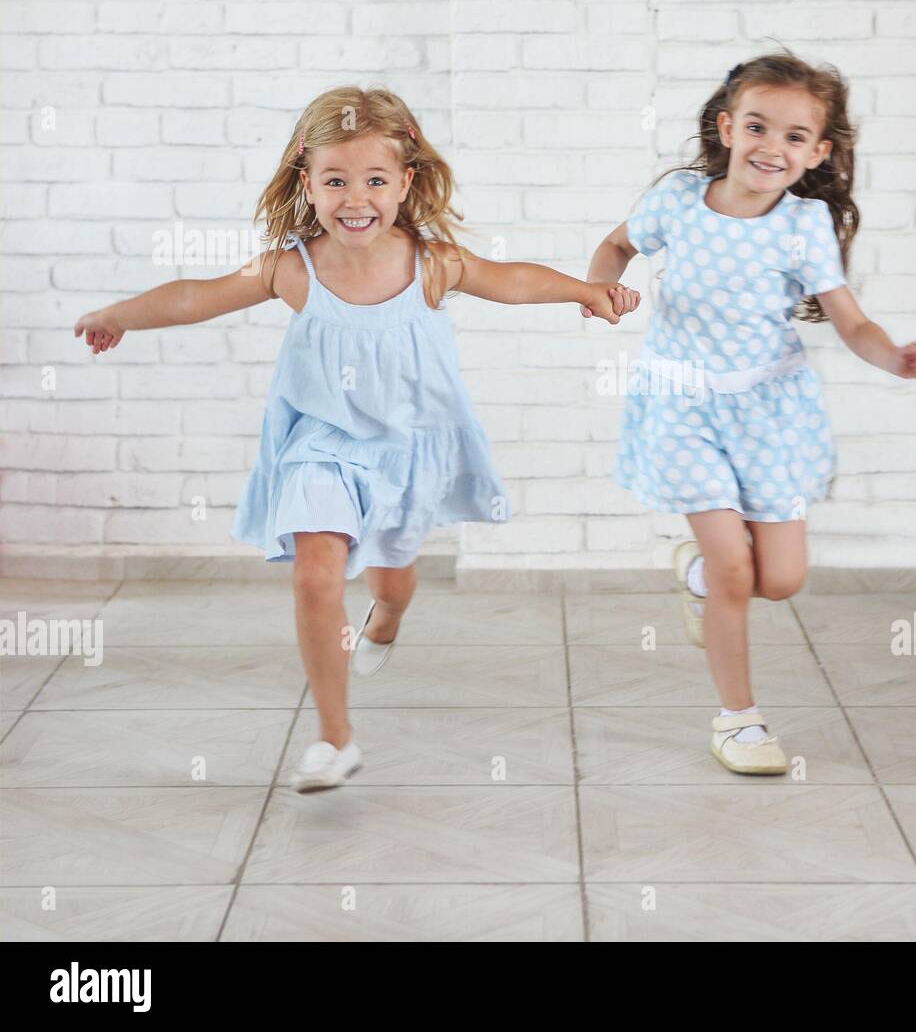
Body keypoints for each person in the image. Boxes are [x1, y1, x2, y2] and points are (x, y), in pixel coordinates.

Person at [74, 85, 640, 793]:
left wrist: (586, 292)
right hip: (323, 445)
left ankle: (386, 620)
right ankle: (334, 738)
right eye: (336, 180)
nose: (355, 198)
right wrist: (120, 314)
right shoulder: (293, 266)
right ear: (306, 181)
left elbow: (513, 280)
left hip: (408, 453)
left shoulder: (431, 261)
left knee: (393, 584)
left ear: (405, 183)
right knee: (315, 572)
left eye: (374, 180)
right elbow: (198, 294)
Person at [583, 51, 916, 775]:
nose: (772, 147)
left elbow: (851, 324)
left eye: (795, 136)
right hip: (681, 403)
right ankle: (738, 720)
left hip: (769, 409)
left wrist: (895, 356)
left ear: (818, 152)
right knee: (735, 568)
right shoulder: (680, 199)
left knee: (780, 578)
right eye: (757, 126)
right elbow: (617, 245)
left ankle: (698, 578)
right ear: (727, 127)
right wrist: (599, 291)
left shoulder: (804, 226)